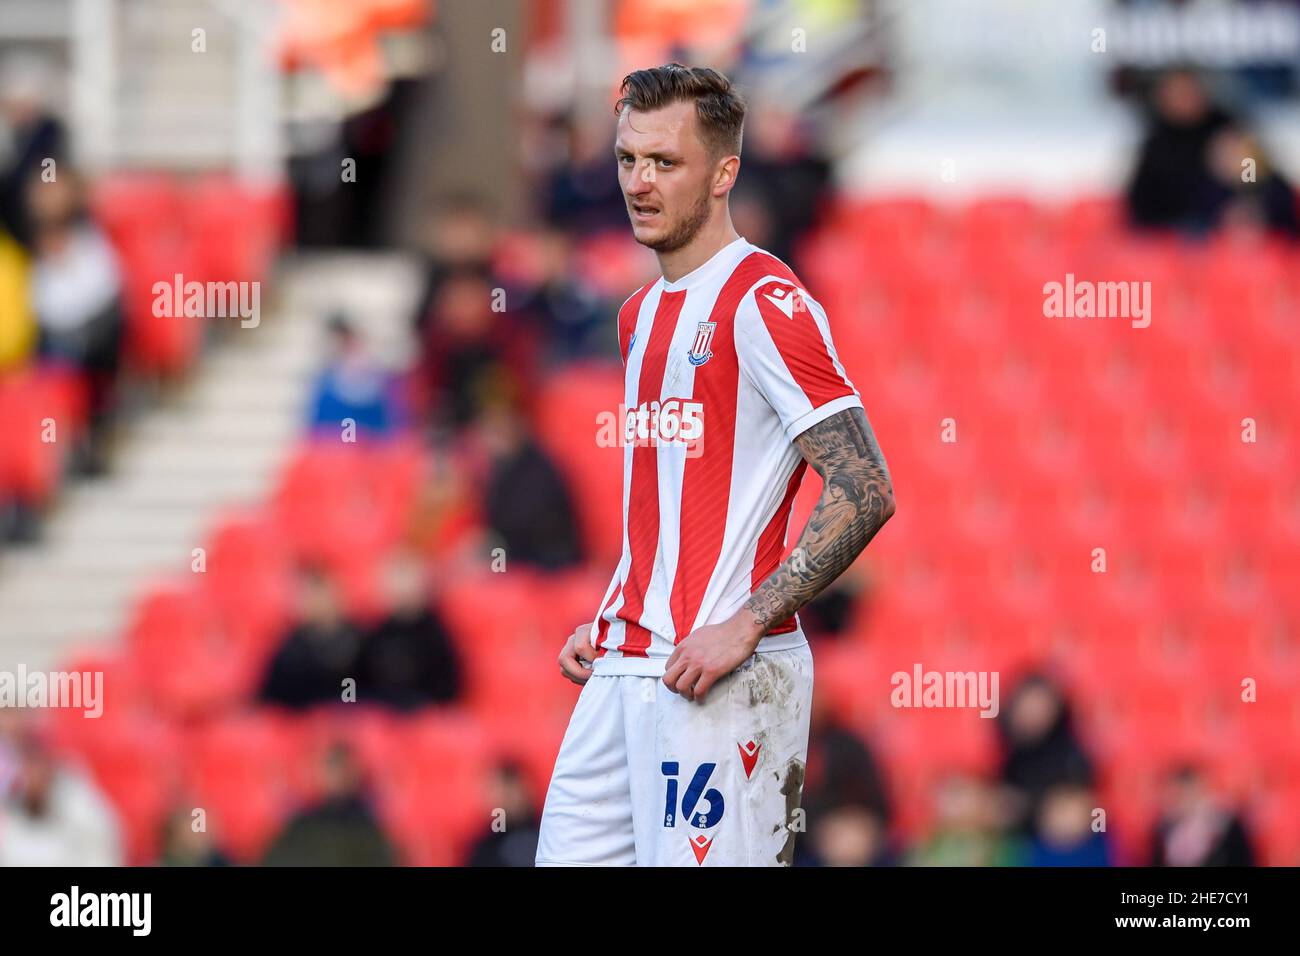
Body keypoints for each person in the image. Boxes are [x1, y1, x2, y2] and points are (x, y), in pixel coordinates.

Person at [535, 64, 895, 867]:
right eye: (629, 159)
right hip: (623, 664)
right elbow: (670, 502)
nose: (640, 181)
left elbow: (865, 486)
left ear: (724, 171)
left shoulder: (766, 300)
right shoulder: (637, 315)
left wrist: (747, 621)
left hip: (720, 680)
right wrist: (610, 615)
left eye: (666, 162)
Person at [1149, 764, 1256, 867]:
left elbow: (1243, 860)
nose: (1185, 799)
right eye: (1179, 794)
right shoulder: (1166, 826)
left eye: (1189, 792)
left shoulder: (1225, 823)